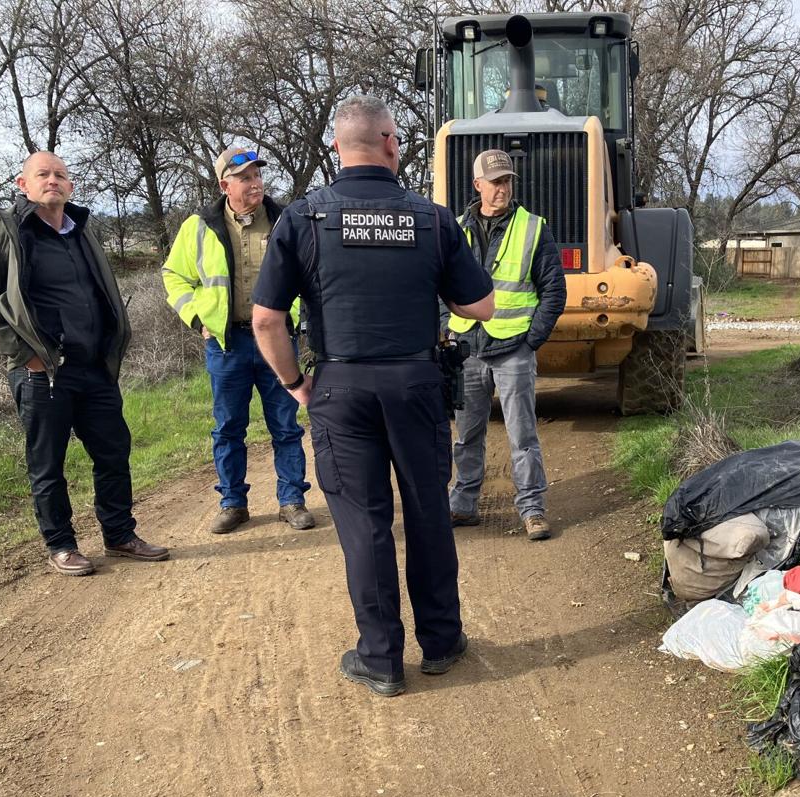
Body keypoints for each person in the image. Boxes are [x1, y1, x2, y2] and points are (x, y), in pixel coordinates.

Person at [251, 96, 494, 697]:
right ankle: (440, 643)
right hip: (415, 384)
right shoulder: (433, 219)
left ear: (337, 147)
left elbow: (265, 320)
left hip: (340, 387)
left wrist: (295, 385)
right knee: (429, 514)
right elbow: (479, 306)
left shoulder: (303, 220)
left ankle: (381, 660)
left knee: (364, 526)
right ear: (391, 143)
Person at [0, 152, 169, 575]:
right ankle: (62, 545)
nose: (53, 181)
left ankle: (120, 534)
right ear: (23, 184)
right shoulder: (0, 236)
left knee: (113, 453)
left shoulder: (83, 232)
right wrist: (24, 355)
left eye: (60, 175)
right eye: (43, 174)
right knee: (47, 465)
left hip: (94, 368)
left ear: (69, 185)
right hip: (42, 374)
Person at [162, 148, 314, 534]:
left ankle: (292, 500)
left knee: (286, 425)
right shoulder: (200, 227)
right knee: (228, 427)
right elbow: (174, 276)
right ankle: (233, 503)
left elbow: (309, 274)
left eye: (258, 175)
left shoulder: (285, 220)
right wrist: (197, 317)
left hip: (277, 342)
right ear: (224, 184)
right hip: (227, 345)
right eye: (244, 177)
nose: (255, 183)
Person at [445, 149, 567, 541]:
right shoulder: (455, 228)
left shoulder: (533, 228)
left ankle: (532, 509)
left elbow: (554, 289)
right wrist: (447, 329)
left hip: (514, 349)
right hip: (468, 349)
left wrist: (532, 339)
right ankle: (463, 504)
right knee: (467, 434)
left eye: (507, 181)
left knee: (523, 435)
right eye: (495, 182)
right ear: (477, 184)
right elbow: (437, 285)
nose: (502, 188)